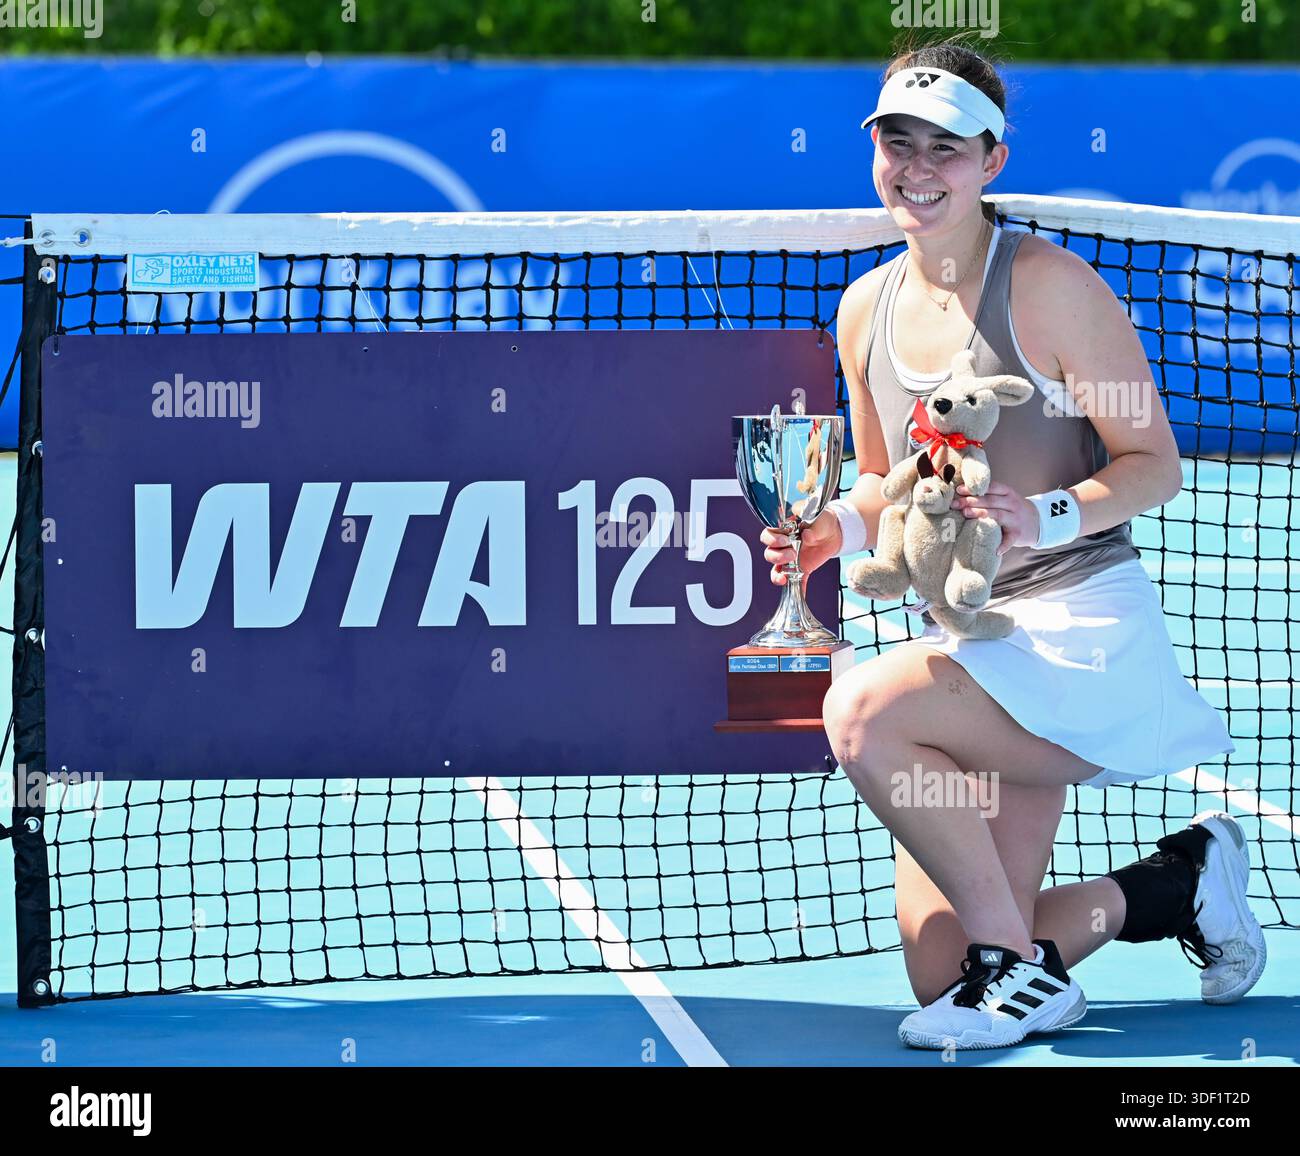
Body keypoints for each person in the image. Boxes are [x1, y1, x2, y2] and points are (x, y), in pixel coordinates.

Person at [760, 36, 1265, 1051]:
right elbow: (882, 479)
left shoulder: (1048, 286)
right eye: (895, 142)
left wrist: (1049, 511)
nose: (914, 168)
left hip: (1077, 633)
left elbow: (1151, 462)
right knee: (933, 964)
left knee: (859, 709)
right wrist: (832, 531)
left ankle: (1017, 982)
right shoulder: (863, 312)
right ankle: (1174, 883)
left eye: (943, 147)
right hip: (973, 639)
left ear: (991, 160)